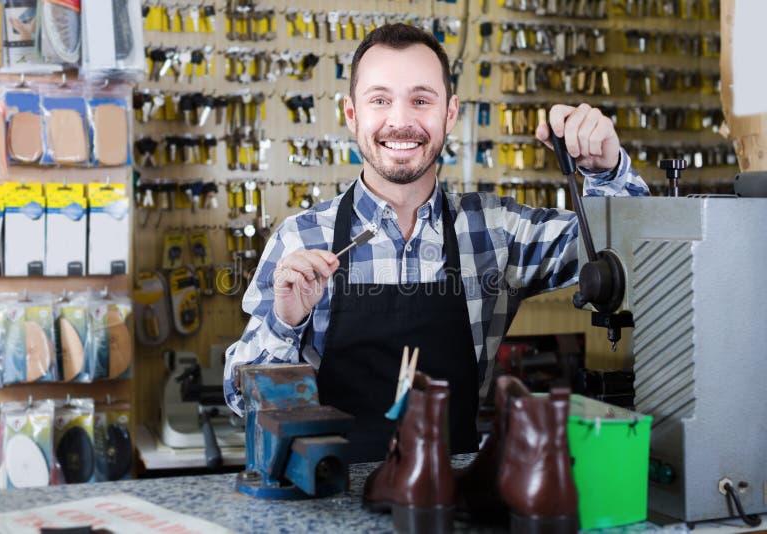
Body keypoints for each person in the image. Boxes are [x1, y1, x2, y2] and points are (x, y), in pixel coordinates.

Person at [224, 23, 649, 462]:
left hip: (452, 501)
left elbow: (634, 255)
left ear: (450, 113)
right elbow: (241, 401)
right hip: (329, 502)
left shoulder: (498, 231)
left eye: (421, 100)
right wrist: (284, 322)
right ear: (353, 114)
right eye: (380, 100)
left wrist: (606, 168)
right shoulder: (301, 238)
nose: (401, 121)